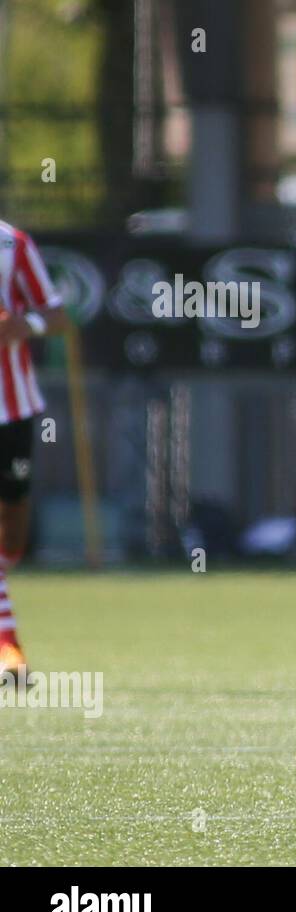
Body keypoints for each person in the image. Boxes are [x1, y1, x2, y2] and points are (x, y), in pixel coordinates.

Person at [0, 219, 72, 680]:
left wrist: (22, 323)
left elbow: (57, 315)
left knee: (11, 534)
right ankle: (8, 644)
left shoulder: (12, 242)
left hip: (12, 408)